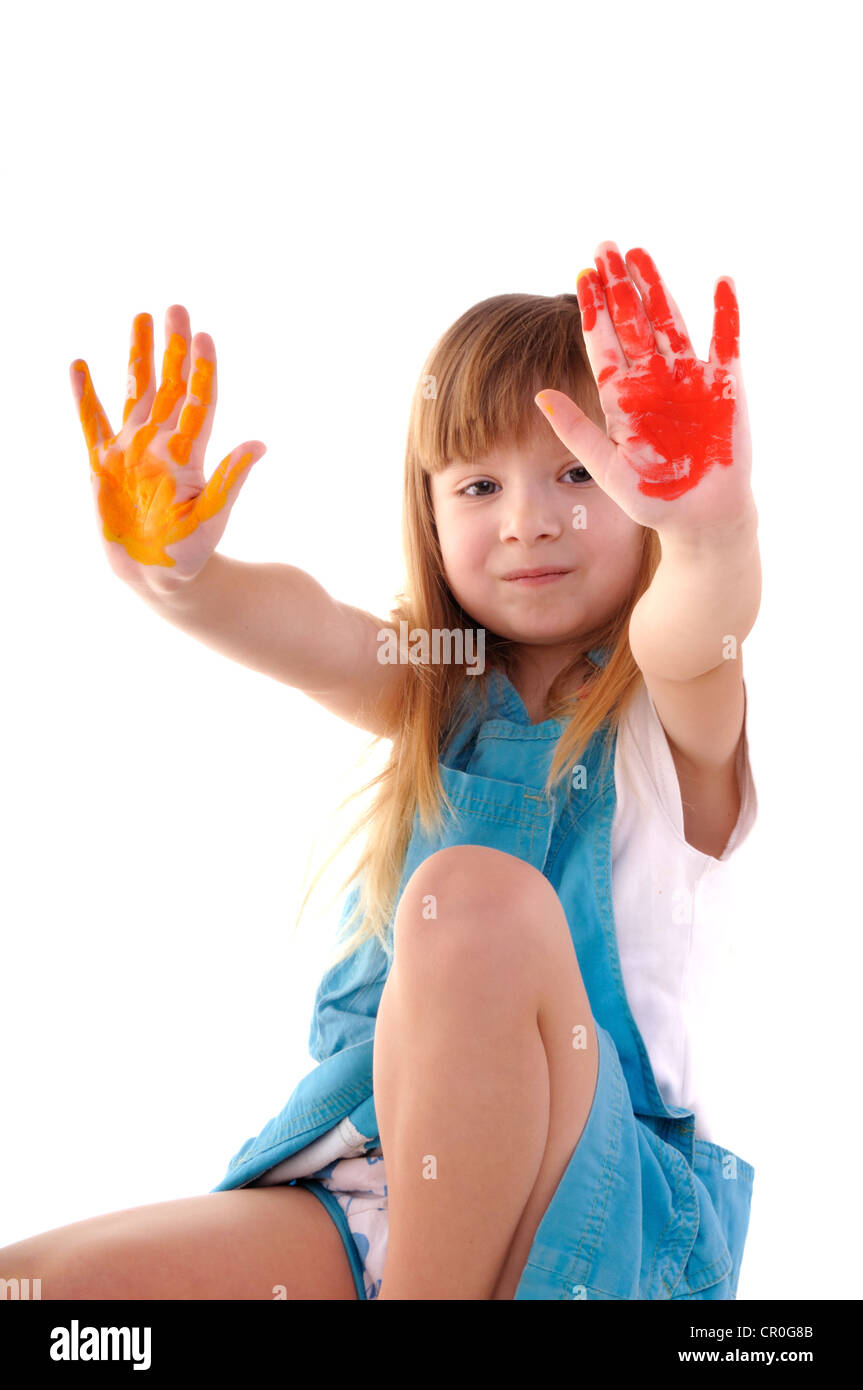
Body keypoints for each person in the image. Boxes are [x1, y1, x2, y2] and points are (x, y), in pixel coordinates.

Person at [0, 239, 761, 1300]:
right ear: (429, 512)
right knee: (36, 1290)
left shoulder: (668, 720)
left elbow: (693, 635)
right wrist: (180, 576)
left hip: (594, 1221)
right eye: (480, 484)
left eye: (579, 473)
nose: (529, 520)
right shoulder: (432, 683)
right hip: (372, 1190)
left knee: (470, 900)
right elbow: (308, 627)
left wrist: (711, 536)